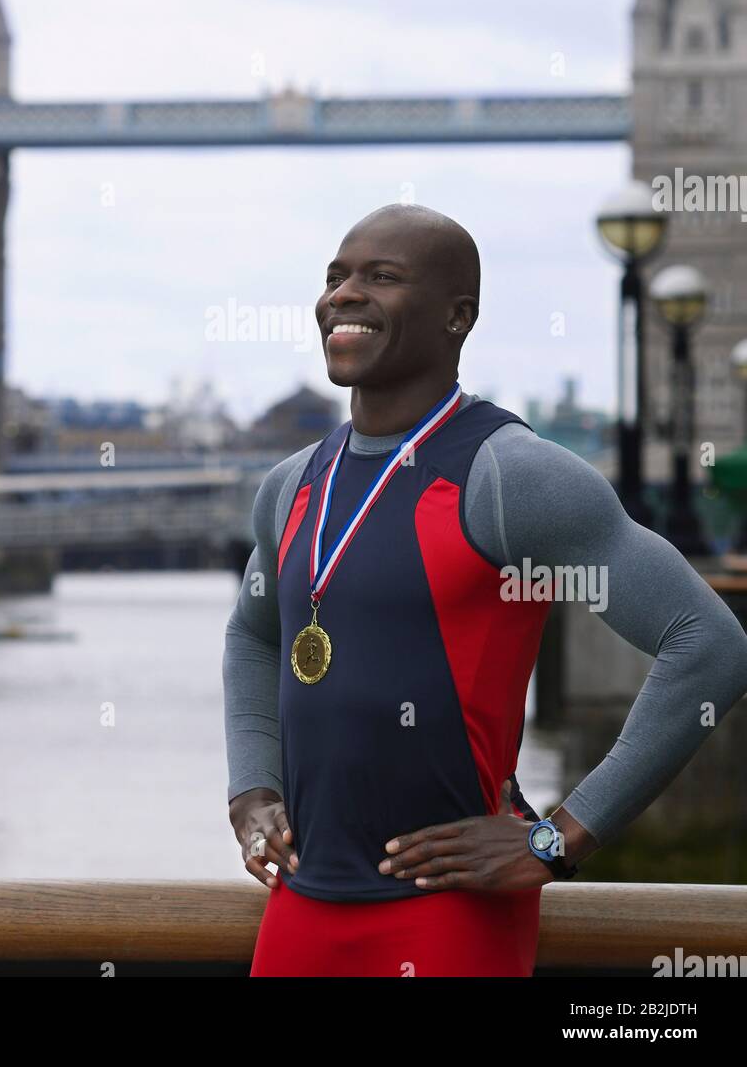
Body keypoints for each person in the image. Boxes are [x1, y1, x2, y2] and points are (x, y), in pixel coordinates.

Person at [223, 203, 747, 977]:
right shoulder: (291, 484)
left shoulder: (510, 476)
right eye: (336, 277)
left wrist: (560, 837)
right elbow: (254, 635)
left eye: (382, 277)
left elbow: (710, 644)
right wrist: (252, 790)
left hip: (448, 919)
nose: (344, 295)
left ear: (457, 316)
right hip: (301, 905)